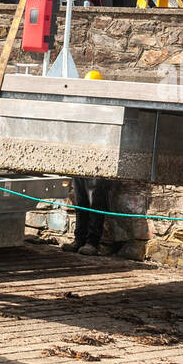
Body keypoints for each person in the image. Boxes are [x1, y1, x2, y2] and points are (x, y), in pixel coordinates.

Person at [62, 71, 110, 256]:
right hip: (81, 160)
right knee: (81, 201)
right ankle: (79, 239)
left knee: (95, 201)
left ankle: (92, 242)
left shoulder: (105, 109)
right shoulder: (82, 107)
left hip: (99, 163)